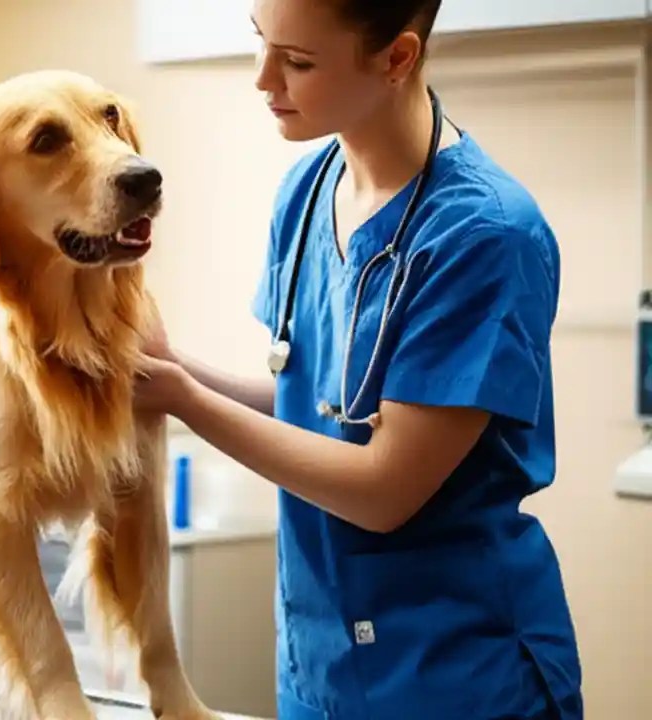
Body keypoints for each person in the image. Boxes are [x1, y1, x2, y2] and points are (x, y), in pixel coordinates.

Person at [133, 0, 584, 718]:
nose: (262, 79)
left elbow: (383, 489)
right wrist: (168, 367)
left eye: (299, 61)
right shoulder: (307, 193)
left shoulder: (486, 236)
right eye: (261, 43)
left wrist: (181, 398)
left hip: (455, 674)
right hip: (319, 670)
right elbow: (314, 409)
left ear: (397, 58)